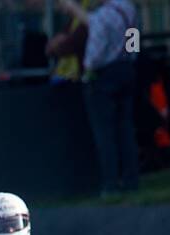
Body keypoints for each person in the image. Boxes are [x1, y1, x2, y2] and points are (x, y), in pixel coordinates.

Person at [58, 0, 141, 195]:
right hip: (126, 68)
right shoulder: (129, 9)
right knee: (125, 128)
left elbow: (95, 51)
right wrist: (130, 56)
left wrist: (87, 70)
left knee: (104, 132)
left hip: (103, 74)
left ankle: (110, 182)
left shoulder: (101, 18)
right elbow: (133, 39)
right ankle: (131, 178)